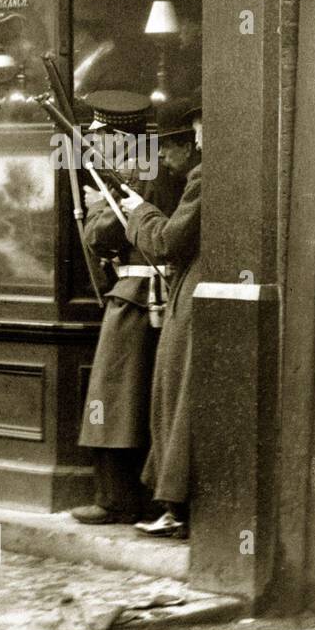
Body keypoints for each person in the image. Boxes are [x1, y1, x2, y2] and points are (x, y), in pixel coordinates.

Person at [72, 92, 182, 526]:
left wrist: (98, 210)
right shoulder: (151, 170)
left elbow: (101, 237)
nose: (99, 146)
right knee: (136, 398)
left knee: (114, 394)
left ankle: (117, 499)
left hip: (138, 293)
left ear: (122, 138)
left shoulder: (140, 176)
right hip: (149, 293)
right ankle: (143, 496)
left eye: (105, 138)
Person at [118, 105, 202, 539]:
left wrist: (139, 211)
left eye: (169, 147)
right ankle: (177, 505)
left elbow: (167, 242)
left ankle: (179, 507)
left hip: (193, 298)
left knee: (175, 395)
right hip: (192, 293)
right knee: (173, 395)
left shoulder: (206, 176)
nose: (164, 159)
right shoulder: (202, 175)